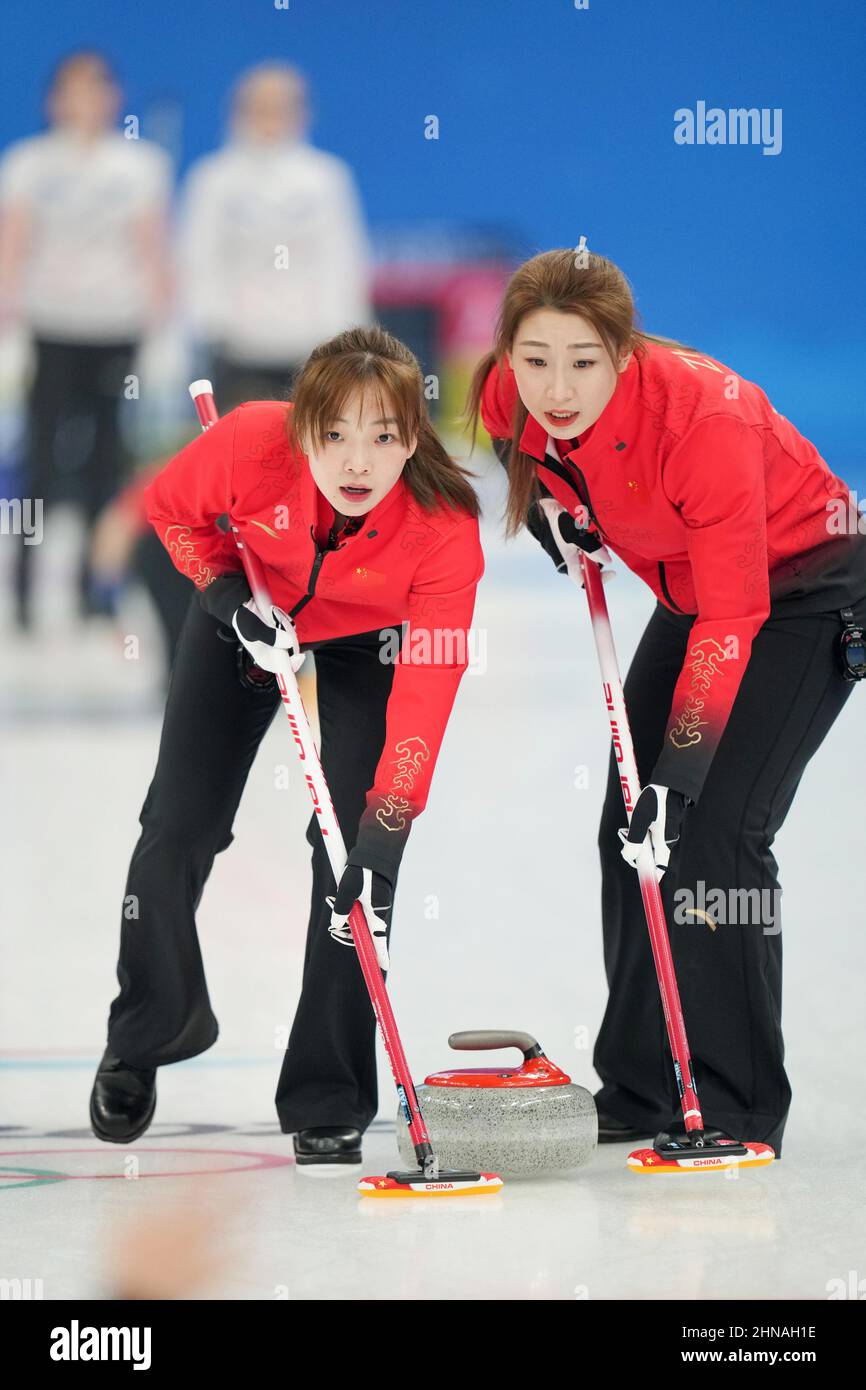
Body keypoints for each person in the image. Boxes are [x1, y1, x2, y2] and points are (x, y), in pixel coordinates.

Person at [468, 248, 866, 1158]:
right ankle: (642, 1087)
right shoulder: (510, 392)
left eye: (582, 362)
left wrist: (680, 778)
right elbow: (506, 434)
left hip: (802, 597)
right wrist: (553, 515)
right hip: (697, 595)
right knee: (629, 833)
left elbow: (734, 622)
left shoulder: (706, 425)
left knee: (711, 839)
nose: (555, 387)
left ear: (624, 352)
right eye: (535, 360)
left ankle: (737, 1109)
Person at [90, 326, 483, 1167]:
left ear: (414, 438)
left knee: (352, 860)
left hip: (366, 644)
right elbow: (170, 512)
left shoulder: (444, 527)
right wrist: (228, 597)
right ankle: (147, 1030)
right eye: (334, 433)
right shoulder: (245, 443)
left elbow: (428, 686)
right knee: (176, 828)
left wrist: (390, 821)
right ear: (300, 428)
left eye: (384, 436)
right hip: (244, 618)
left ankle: (329, 1090)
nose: (357, 461)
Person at [0, 50, 172, 629]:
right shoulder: (27, 164)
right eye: (71, 91)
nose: (84, 103)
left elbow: (153, 250)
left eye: (95, 90)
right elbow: (11, 249)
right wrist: (10, 328)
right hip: (50, 330)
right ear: (53, 101)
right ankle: (22, 587)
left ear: (112, 99)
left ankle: (96, 589)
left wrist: (160, 327)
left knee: (106, 463)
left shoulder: (140, 167)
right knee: (42, 462)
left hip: (114, 331)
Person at [178, 62, 370, 409]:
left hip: (310, 348)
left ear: (302, 112)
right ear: (238, 111)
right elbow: (199, 257)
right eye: (260, 107)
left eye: (282, 107)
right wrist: (211, 324)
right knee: (243, 451)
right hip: (238, 348)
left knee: (310, 449)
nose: (270, 118)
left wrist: (343, 335)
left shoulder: (326, 179)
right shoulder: (212, 179)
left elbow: (342, 260)